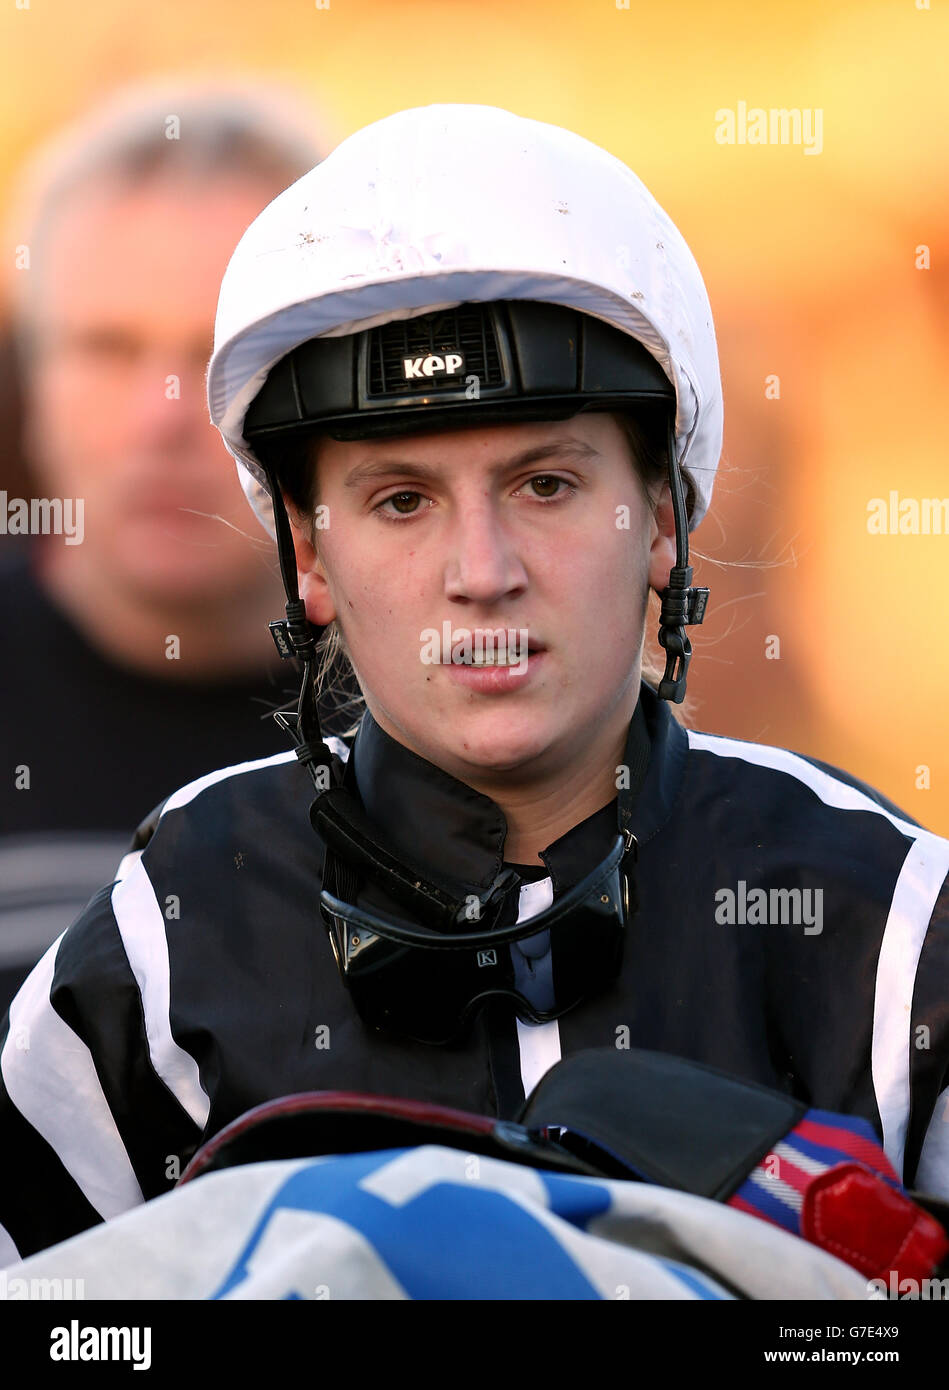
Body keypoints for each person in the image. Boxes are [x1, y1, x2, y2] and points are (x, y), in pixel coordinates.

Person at [1, 102, 946, 1268]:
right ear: (309, 558)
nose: (482, 575)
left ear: (660, 518)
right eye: (401, 501)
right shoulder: (165, 933)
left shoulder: (892, 925)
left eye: (545, 484)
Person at [0, 85, 342, 1009]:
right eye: (108, 349)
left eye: (219, 356)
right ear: (31, 375)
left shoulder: (471, 720)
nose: (160, 419)